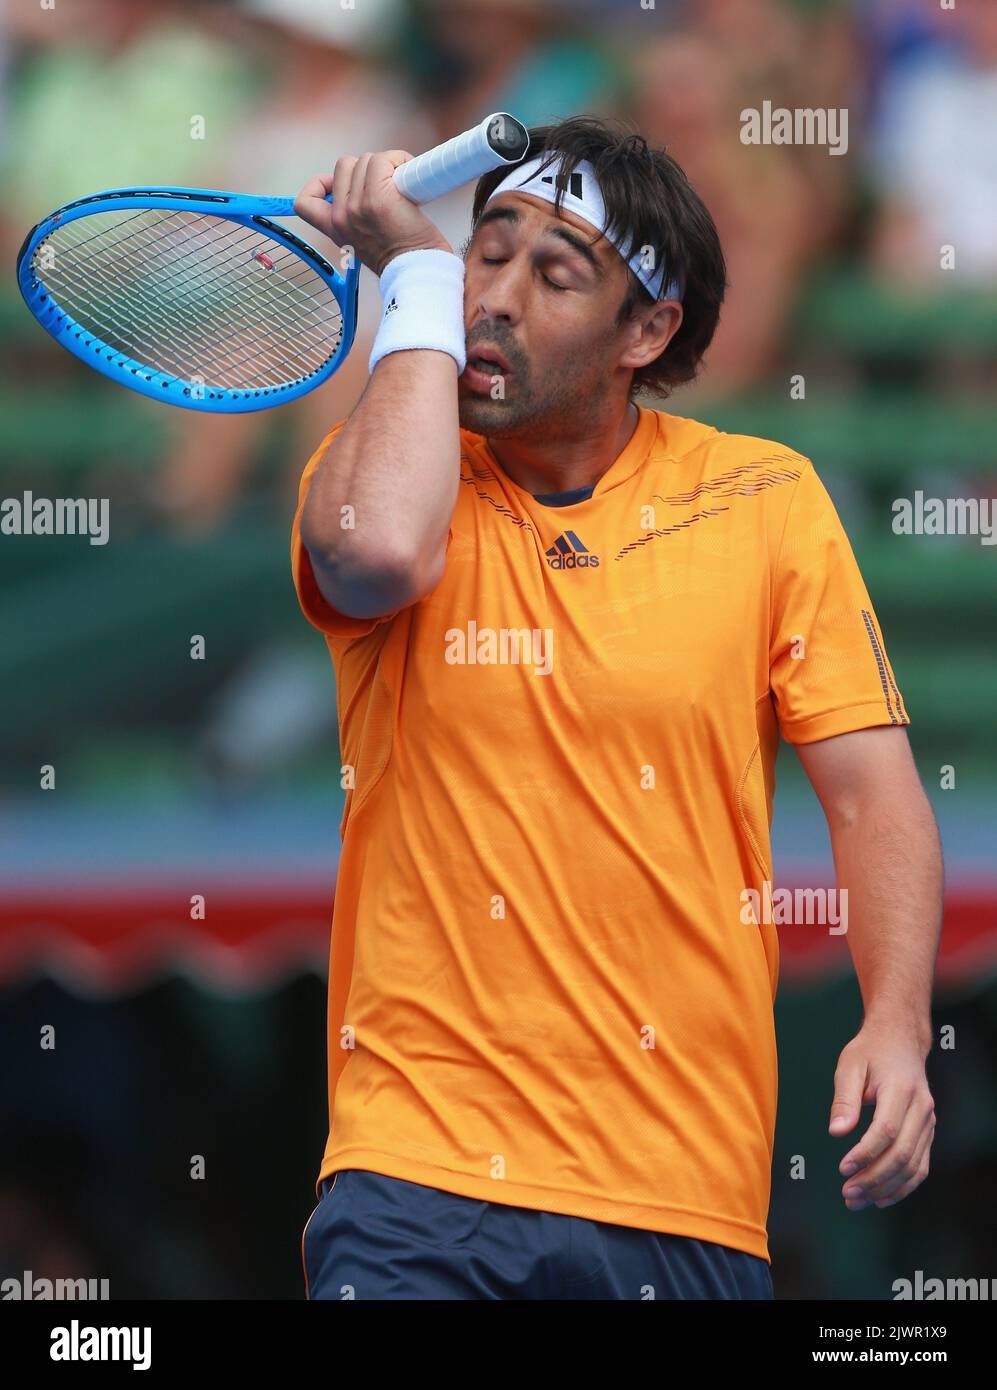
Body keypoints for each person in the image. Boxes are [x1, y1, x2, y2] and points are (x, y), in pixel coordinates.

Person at [290, 115, 941, 1301]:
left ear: (649, 330)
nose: (496, 297)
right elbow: (376, 551)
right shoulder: (394, 474)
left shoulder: (767, 499)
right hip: (415, 1178)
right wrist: (418, 283)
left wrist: (895, 1020)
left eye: (553, 274)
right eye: (485, 252)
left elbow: (872, 794)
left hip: (679, 1193)